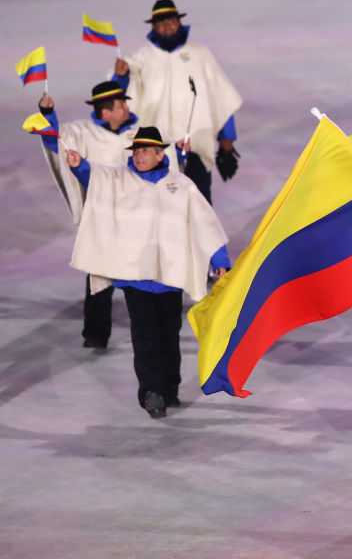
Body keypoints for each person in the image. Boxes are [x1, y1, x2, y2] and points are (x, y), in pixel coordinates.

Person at [65, 127, 230, 418]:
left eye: (145, 151)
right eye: (136, 151)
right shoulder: (118, 180)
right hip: (136, 278)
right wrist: (80, 165)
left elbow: (204, 223)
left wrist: (220, 259)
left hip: (169, 277)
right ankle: (151, 392)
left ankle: (169, 387)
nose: (139, 156)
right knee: (144, 337)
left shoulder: (181, 185)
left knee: (168, 335)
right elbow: (94, 178)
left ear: (159, 154)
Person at [35, 81, 141, 349]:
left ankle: (147, 329)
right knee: (100, 276)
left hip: (138, 217)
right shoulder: (82, 133)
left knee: (141, 276)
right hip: (102, 217)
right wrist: (47, 114)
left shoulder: (140, 132)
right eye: (121, 105)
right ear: (105, 112)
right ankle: (95, 333)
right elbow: (54, 140)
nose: (127, 107)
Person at [113, 0, 242, 204]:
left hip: (195, 148)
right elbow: (119, 100)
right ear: (154, 27)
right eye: (161, 22)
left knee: (198, 205)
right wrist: (120, 77)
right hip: (157, 152)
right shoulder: (140, 59)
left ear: (179, 22)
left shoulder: (200, 55)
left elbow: (220, 98)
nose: (166, 26)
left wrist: (226, 142)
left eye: (171, 20)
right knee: (162, 208)